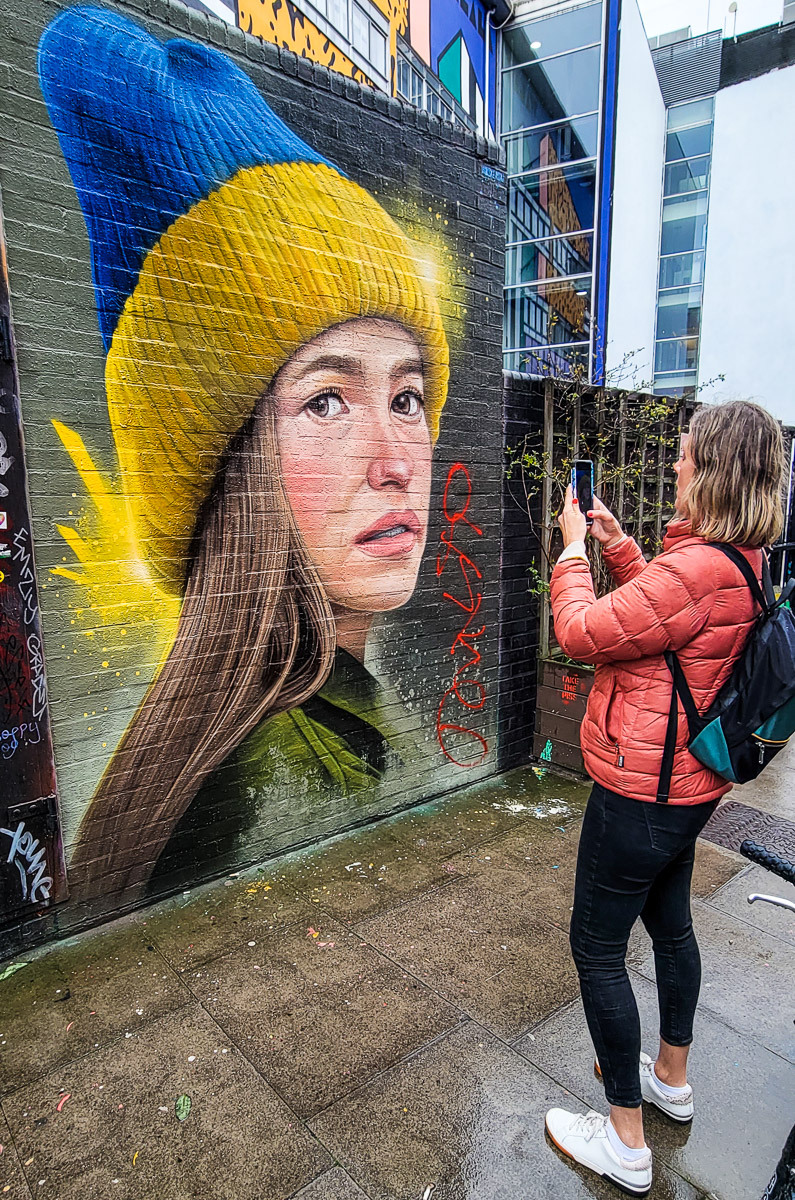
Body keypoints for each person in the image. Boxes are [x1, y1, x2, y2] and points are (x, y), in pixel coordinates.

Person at [37, 7, 449, 899]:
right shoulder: (272, 782)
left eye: (407, 397)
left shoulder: (274, 729)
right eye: (327, 400)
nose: (395, 459)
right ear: (226, 472)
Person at [543, 400, 785, 1195]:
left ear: (710, 470)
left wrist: (572, 552)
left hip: (639, 791)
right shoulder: (744, 560)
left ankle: (621, 1137)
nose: (675, 465)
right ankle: (669, 1082)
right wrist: (616, 545)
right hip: (688, 790)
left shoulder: (699, 568)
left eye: (683, 455)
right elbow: (668, 620)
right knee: (671, 928)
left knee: (596, 950)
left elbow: (582, 634)